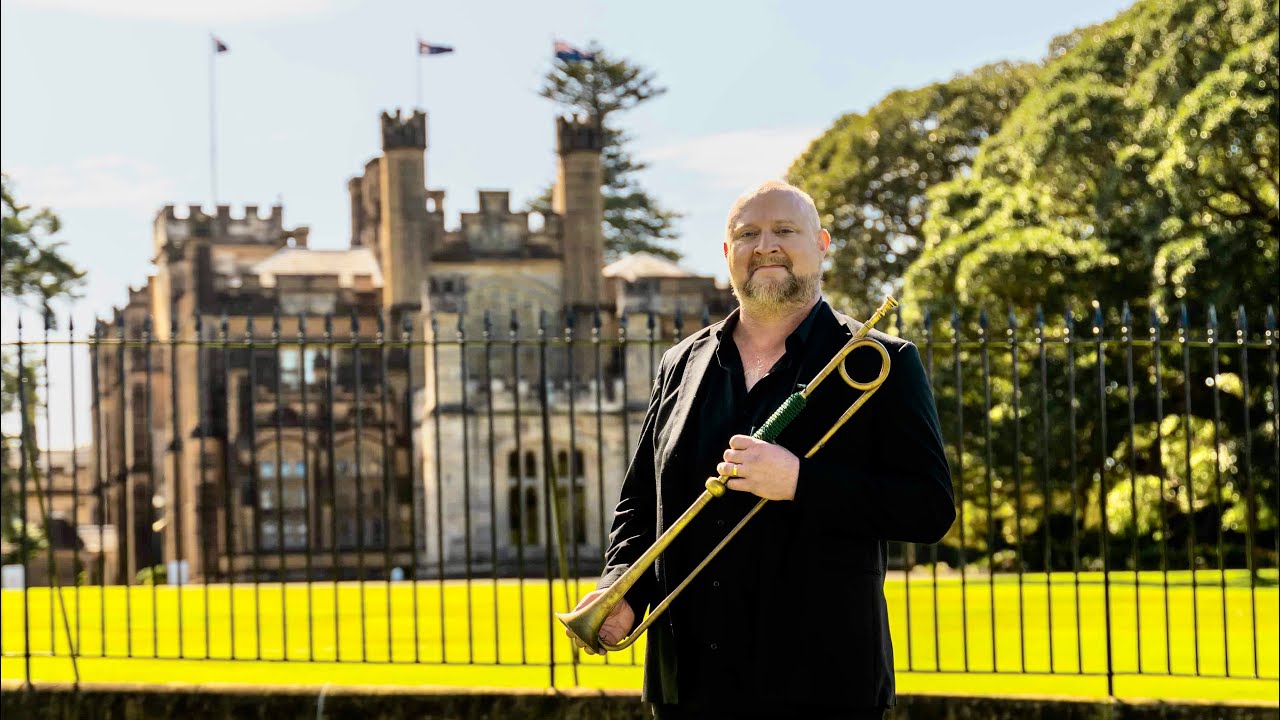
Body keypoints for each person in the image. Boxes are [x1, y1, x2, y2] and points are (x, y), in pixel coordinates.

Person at [567, 180, 955, 720]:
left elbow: (930, 507)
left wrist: (800, 482)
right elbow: (639, 504)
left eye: (785, 230)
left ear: (820, 244)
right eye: (747, 233)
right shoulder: (680, 364)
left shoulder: (879, 361)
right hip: (690, 684)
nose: (765, 245)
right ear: (728, 255)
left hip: (822, 682)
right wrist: (622, 591)